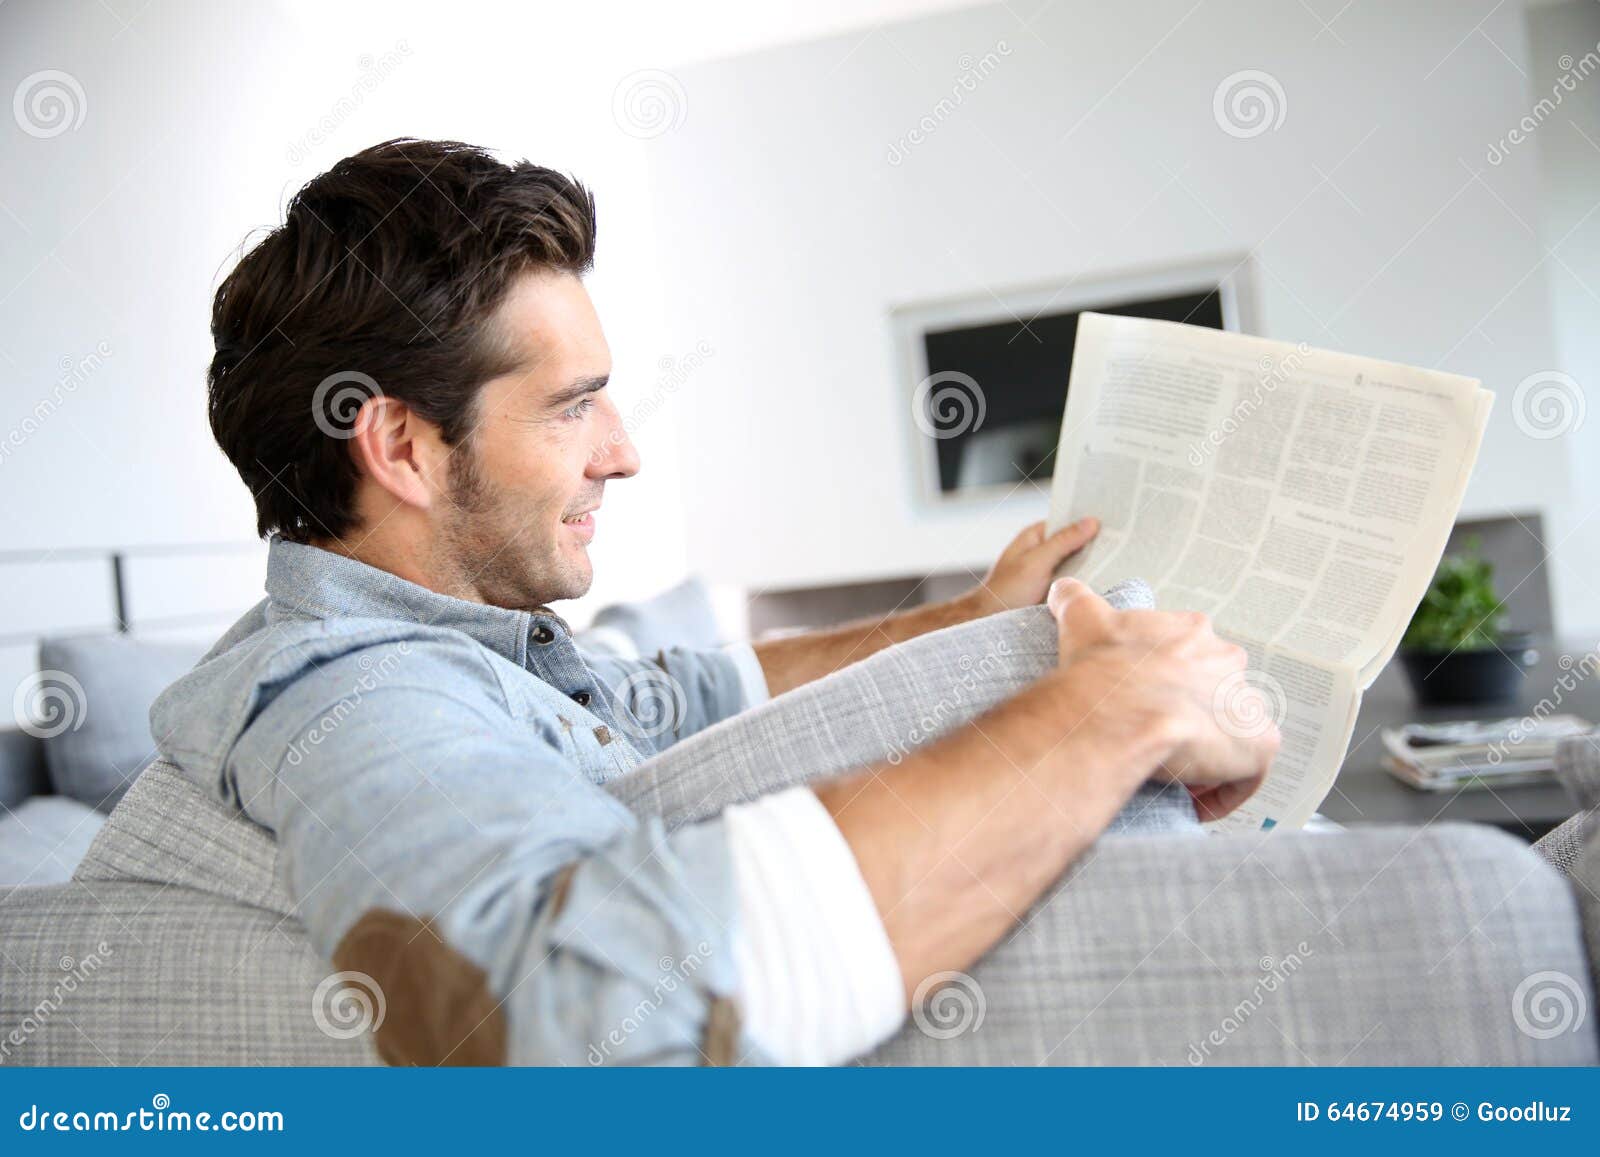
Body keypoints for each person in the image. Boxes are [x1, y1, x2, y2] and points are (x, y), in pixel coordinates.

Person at [151, 137, 1276, 1066]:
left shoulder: (464, 647)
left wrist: (969, 614)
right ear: (402, 444)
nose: (623, 452)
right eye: (573, 406)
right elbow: (559, 1022)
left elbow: (680, 695)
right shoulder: (351, 696)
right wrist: (1111, 710)